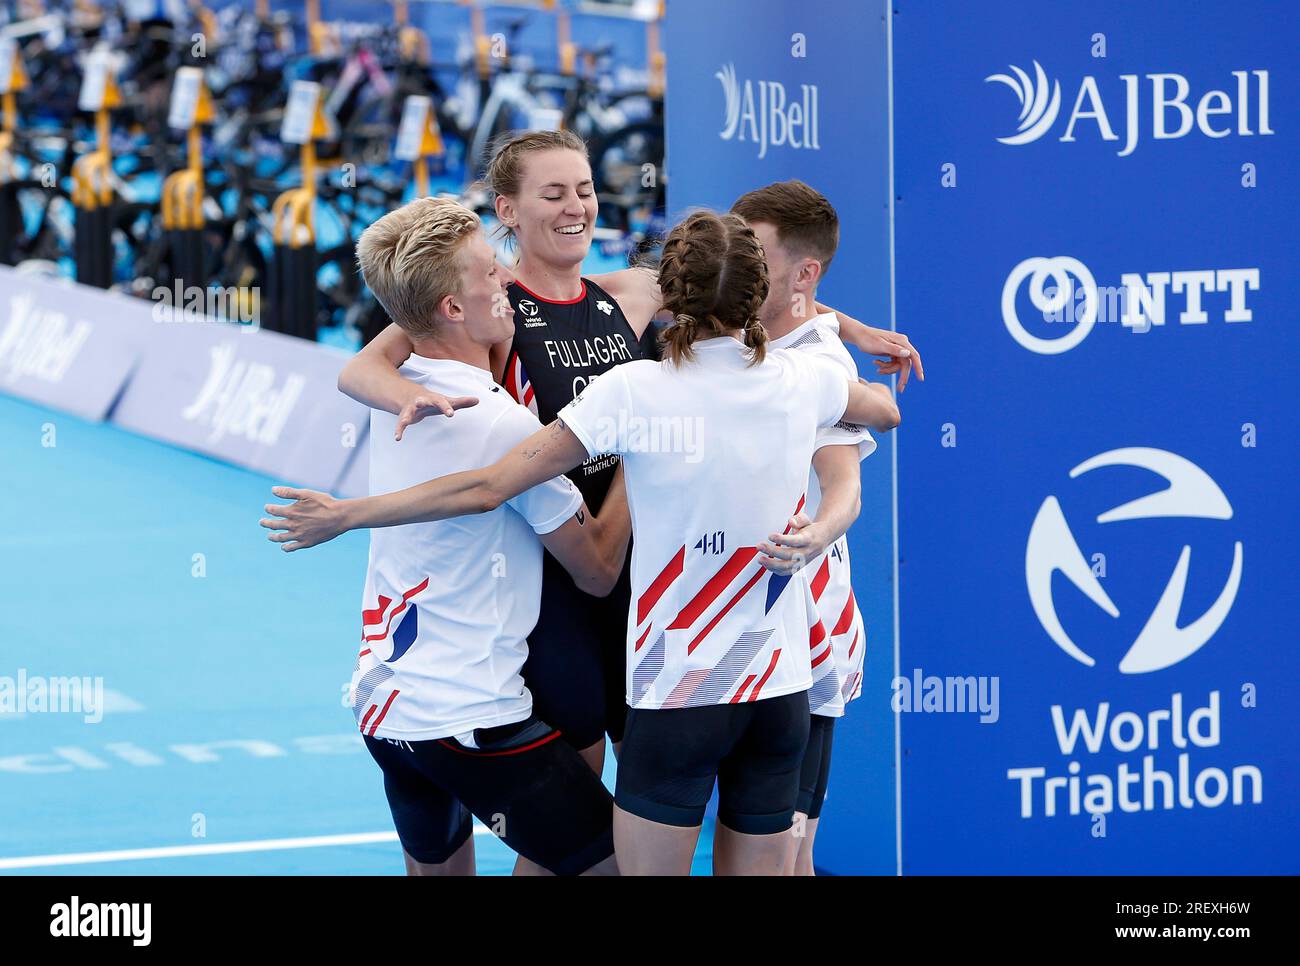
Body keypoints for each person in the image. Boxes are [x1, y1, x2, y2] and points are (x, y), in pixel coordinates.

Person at [262, 211, 901, 875]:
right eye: (491, 271)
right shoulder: (802, 381)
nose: (508, 280)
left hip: (612, 694)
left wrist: (349, 514)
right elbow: (881, 409)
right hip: (759, 691)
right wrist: (859, 366)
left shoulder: (611, 389)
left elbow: (480, 478)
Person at [337, 131, 925, 778]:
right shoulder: (496, 306)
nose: (575, 207)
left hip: (649, 581)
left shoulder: (632, 292)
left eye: (584, 190)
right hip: (559, 582)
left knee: (653, 784)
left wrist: (848, 328)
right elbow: (364, 364)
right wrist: (400, 399)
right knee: (580, 808)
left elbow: (742, 282)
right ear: (507, 210)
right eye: (553, 193)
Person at [266, 196, 630, 876]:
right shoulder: (504, 427)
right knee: (617, 864)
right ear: (452, 309)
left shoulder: (397, 388)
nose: (508, 282)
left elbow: (389, 343)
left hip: (384, 709)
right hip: (472, 721)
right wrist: (642, 451)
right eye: (492, 272)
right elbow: (599, 570)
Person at [730, 180, 874, 876]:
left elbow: (845, 489)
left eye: (753, 253)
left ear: (804, 273)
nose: (737, 265)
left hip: (805, 632)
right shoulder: (750, 330)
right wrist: (851, 320)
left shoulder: (821, 367)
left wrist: (817, 533)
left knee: (789, 860)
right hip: (733, 634)